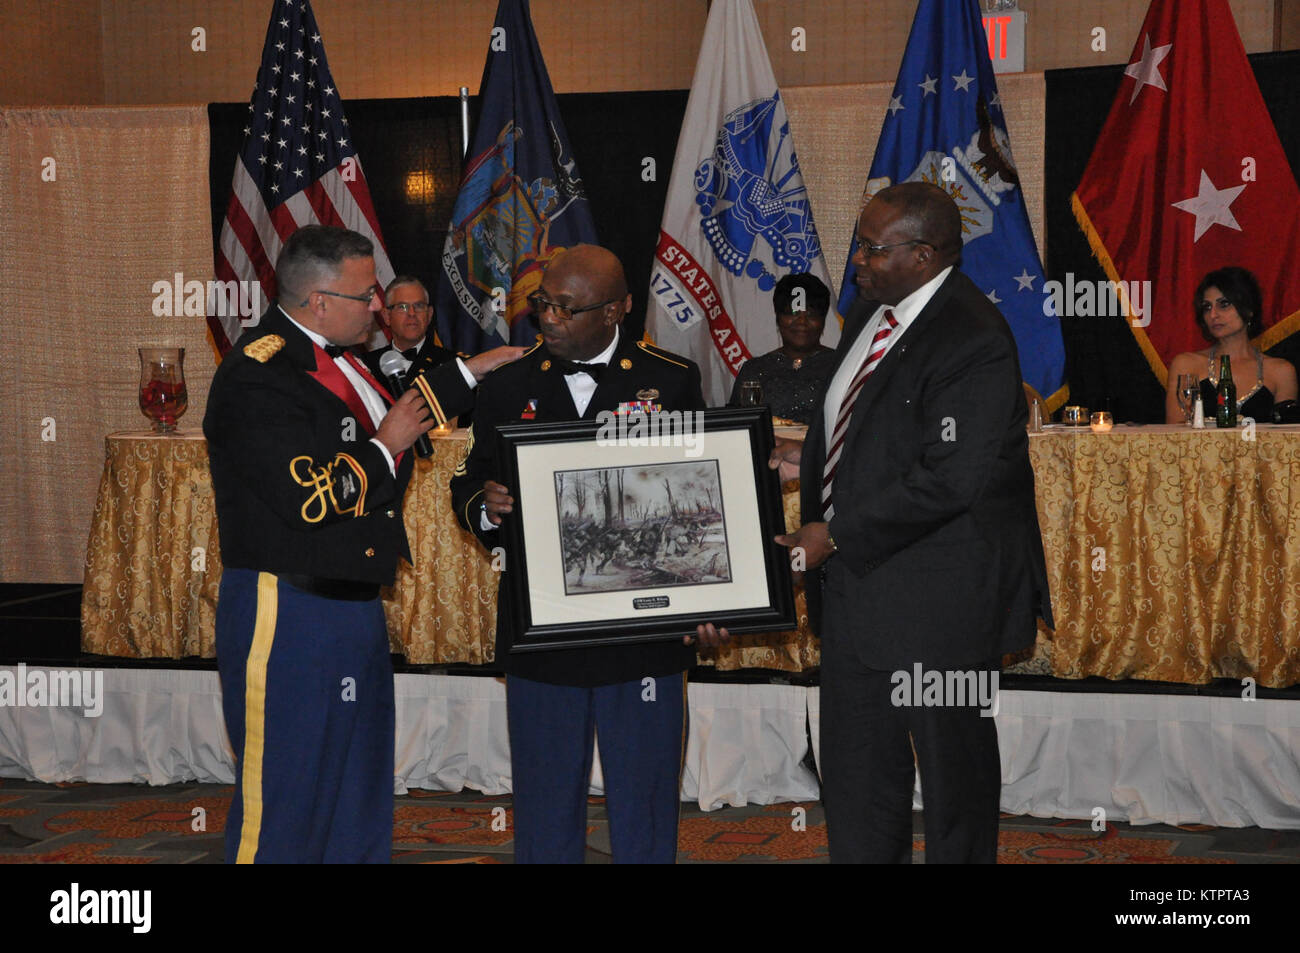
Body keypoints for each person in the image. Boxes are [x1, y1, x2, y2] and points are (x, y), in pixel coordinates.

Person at [204, 225, 521, 863]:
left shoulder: (336, 358)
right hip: (287, 608)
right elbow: (312, 496)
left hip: (352, 607)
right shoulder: (256, 375)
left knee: (358, 788)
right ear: (318, 302)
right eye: (365, 295)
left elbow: (395, 413)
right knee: (286, 798)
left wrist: (469, 372)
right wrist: (386, 446)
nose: (379, 307)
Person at [757, 182, 1052, 863]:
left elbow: (952, 477)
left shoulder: (974, 336)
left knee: (955, 787)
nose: (855, 261)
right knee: (858, 780)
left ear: (922, 255)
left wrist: (832, 533)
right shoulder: (873, 309)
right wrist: (815, 451)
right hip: (859, 596)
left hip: (940, 605)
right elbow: (879, 423)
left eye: (870, 247)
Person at [449, 244, 713, 863]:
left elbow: (702, 498)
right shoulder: (508, 382)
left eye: (569, 308)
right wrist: (486, 505)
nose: (550, 319)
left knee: (645, 800)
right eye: (544, 304)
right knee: (543, 799)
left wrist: (707, 595)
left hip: (643, 625)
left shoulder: (671, 379)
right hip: (543, 626)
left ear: (618, 309)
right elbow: (470, 477)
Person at [1163, 267, 1297, 423]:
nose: (1213, 315)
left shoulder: (1281, 371)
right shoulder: (1186, 364)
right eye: (1207, 307)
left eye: (1224, 304)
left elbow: (1286, 439)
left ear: (1248, 309)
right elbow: (1173, 435)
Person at [727, 273, 837, 424]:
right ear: (778, 317)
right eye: (793, 313)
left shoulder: (841, 366)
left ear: (823, 320)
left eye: (811, 314)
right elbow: (737, 427)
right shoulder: (753, 369)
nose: (802, 322)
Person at [361, 275, 459, 383]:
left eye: (419, 305)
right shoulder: (364, 366)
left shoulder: (454, 365)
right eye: (402, 307)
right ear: (387, 316)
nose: (412, 313)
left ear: (429, 315)